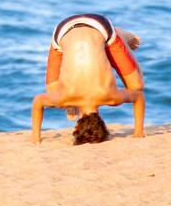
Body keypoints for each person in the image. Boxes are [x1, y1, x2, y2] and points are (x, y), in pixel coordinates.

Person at [30, 13, 145, 144]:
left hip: (99, 26)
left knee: (136, 87)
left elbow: (139, 96)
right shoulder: (63, 98)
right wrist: (35, 138)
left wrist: (138, 132)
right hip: (64, 31)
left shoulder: (111, 97)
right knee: (53, 94)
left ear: (102, 122)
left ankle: (118, 34)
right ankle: (116, 35)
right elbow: (38, 101)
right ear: (78, 124)